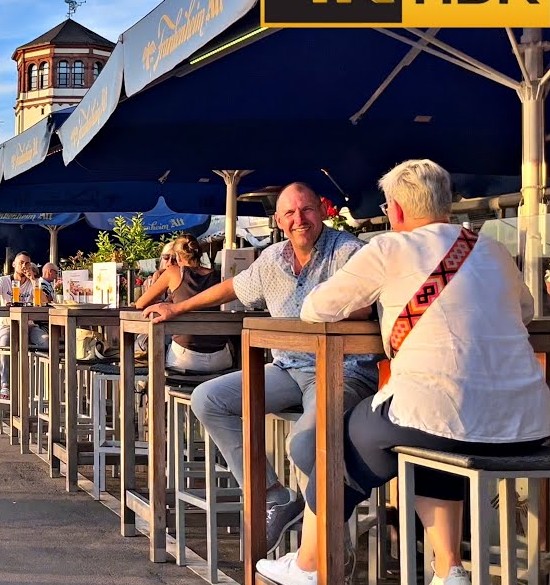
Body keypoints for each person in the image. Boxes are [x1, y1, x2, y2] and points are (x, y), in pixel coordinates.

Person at [256, 159, 550, 585]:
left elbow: (315, 308)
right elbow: (525, 312)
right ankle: (450, 572)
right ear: (447, 203)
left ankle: (309, 565)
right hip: (529, 426)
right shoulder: (491, 249)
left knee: (339, 440)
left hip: (439, 411)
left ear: (395, 209)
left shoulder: (388, 249)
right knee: (437, 434)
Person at [143, 183, 379, 554]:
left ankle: (328, 550)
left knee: (305, 445)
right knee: (208, 399)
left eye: (307, 209)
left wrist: (323, 308)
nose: (299, 219)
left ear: (322, 211)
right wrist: (176, 308)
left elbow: (364, 307)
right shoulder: (272, 258)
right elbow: (231, 288)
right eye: (290, 213)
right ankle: (274, 496)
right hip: (288, 367)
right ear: (279, 221)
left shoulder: (348, 250)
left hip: (341, 368)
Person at [133, 234, 231, 373]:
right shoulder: (218, 276)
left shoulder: (172, 273)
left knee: (150, 354)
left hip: (185, 358)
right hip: (221, 357)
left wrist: (158, 280)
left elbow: (140, 304)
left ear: (178, 257)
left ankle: (150, 386)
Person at [0, 253, 49, 400]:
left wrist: (33, 280)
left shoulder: (34, 282)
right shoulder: (3, 280)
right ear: (14, 264)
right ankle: (5, 384)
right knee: (6, 342)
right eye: (21, 263)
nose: (24, 266)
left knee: (47, 341)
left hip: (29, 325)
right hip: (7, 325)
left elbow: (44, 302)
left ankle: (42, 386)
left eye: (27, 263)